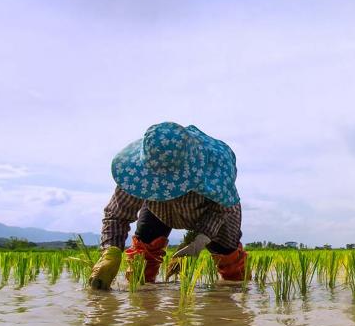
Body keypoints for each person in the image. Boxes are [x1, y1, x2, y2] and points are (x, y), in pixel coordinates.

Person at [88, 122, 247, 290]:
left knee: (232, 270)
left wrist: (198, 241)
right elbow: (117, 214)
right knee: (141, 265)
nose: (164, 187)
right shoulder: (137, 177)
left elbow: (223, 208)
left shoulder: (215, 173)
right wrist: (110, 253)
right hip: (159, 211)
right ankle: (144, 306)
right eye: (156, 181)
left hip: (212, 214)